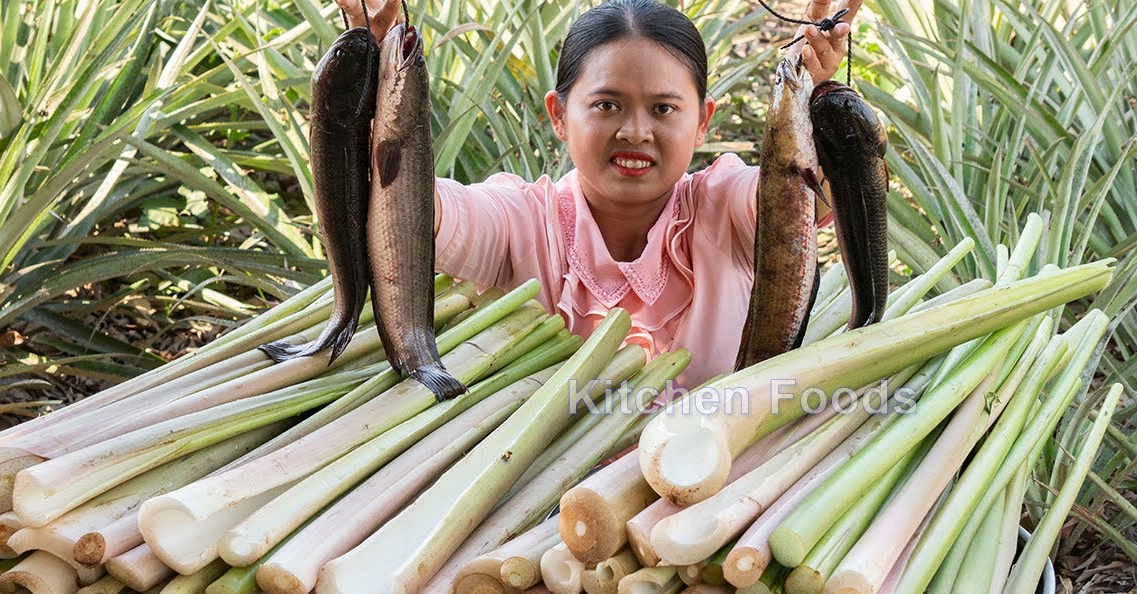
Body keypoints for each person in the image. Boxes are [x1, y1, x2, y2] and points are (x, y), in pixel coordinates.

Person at [335, 0, 856, 391]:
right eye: (607, 105)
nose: (635, 131)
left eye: (665, 109)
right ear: (559, 116)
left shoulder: (726, 209)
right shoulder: (521, 222)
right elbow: (402, 205)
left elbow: (817, 198)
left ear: (703, 123)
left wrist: (813, 92)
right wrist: (380, 60)